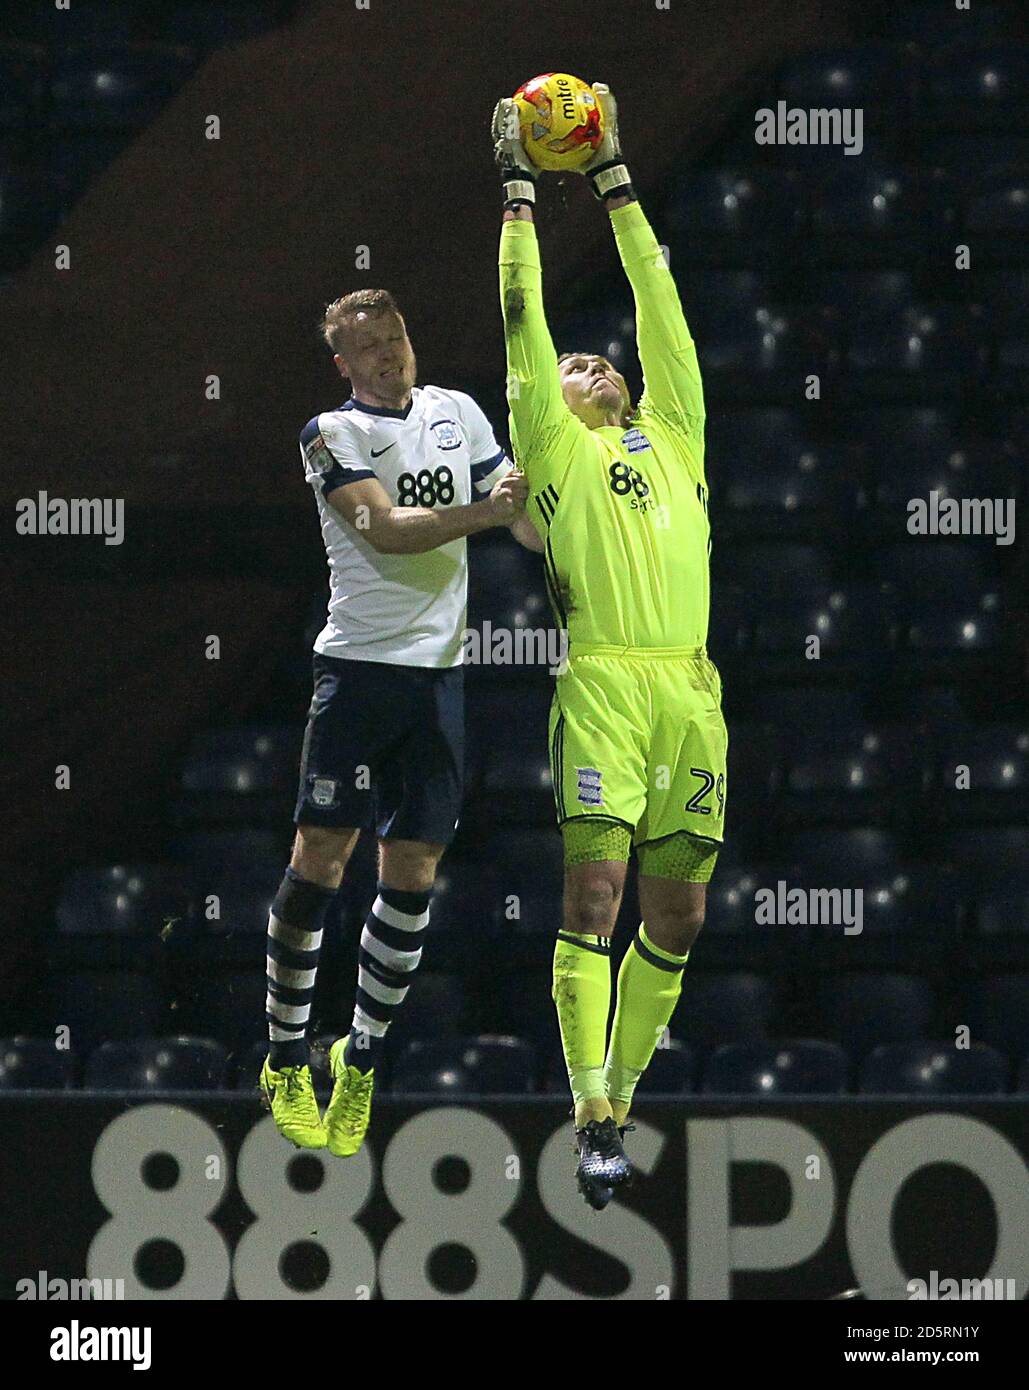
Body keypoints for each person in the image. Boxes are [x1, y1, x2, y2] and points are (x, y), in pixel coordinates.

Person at [493, 85, 728, 1208]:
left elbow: (662, 307)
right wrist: (519, 191)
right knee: (595, 897)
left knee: (677, 916)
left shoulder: (672, 432)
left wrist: (618, 177)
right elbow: (522, 322)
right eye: (575, 365)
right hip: (604, 683)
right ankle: (589, 1109)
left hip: (691, 687)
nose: (587, 362)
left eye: (602, 361)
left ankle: (623, 1100)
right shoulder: (553, 445)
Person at [261, 287, 541, 1155]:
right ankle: (281, 1057)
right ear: (341, 364)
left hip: (439, 676)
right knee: (321, 859)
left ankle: (362, 1057)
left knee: (413, 872)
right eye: (368, 348)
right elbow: (384, 530)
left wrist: (571, 516)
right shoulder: (331, 434)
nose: (389, 356)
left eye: (396, 338)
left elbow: (524, 520)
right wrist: (491, 513)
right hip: (356, 673)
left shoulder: (458, 412)